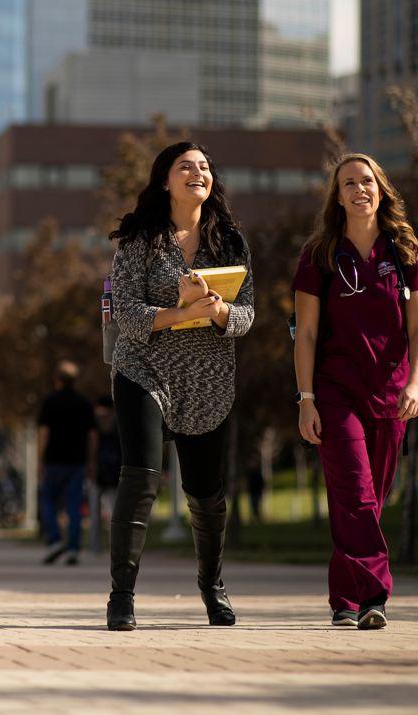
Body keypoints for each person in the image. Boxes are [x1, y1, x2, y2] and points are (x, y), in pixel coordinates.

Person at [105, 142, 254, 631]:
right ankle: (121, 597)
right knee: (141, 477)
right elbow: (127, 313)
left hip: (207, 378)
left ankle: (213, 587)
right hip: (143, 368)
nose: (198, 173)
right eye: (185, 166)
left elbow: (246, 315)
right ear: (165, 181)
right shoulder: (139, 240)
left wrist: (219, 311)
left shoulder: (230, 241)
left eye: (205, 166)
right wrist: (182, 312)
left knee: (205, 491)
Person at [292, 153, 418, 631]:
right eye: (348, 183)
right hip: (335, 391)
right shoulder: (319, 255)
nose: (359, 189)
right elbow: (306, 335)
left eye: (366, 180)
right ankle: (374, 594)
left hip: (391, 393)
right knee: (354, 493)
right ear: (337, 196)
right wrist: (306, 399)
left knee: (365, 500)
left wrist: (415, 383)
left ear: (380, 188)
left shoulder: (405, 252)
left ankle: (344, 600)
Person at [37, 361, 99, 566]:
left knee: (49, 502)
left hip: (54, 461)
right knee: (74, 505)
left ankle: (54, 541)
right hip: (77, 462)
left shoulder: (50, 402)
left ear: (57, 380)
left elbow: (43, 432)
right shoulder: (84, 403)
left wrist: (39, 459)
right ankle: (73, 548)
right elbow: (92, 435)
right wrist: (91, 460)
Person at [88, 396, 121, 554]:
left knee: (94, 514)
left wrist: (91, 464)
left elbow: (91, 445)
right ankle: (115, 547)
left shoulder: (93, 421)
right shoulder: (118, 421)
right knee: (115, 514)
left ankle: (94, 546)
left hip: (97, 471)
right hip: (115, 472)